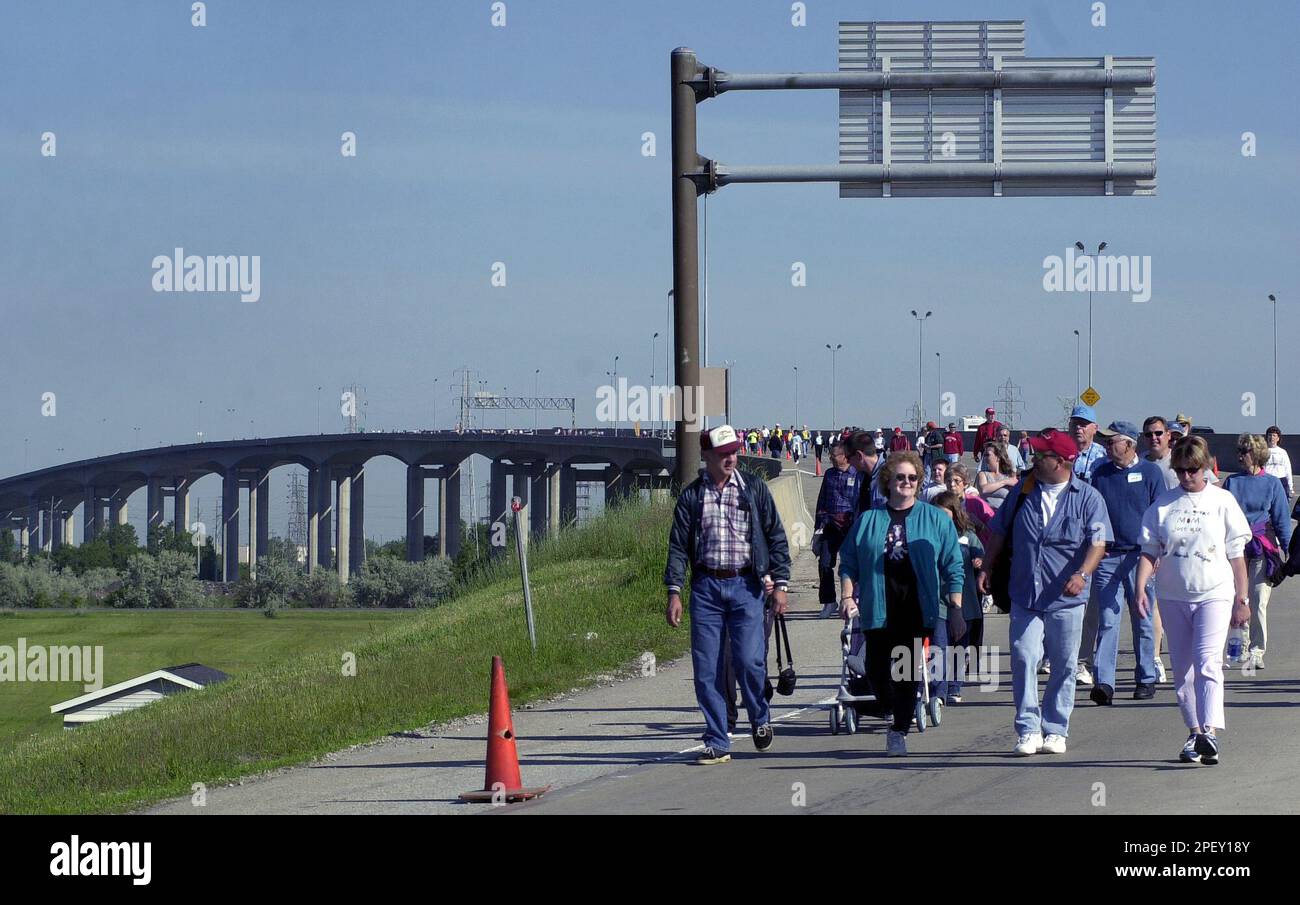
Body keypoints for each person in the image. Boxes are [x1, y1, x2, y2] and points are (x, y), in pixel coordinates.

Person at [977, 428, 1112, 757]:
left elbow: (1099, 542)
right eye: (1035, 454)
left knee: (1064, 665)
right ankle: (1027, 727)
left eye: (1042, 455)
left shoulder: (1088, 497)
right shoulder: (1023, 491)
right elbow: (998, 531)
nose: (1035, 460)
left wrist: (1083, 573)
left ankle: (1055, 728)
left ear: (1064, 461)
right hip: (1026, 594)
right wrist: (987, 568)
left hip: (1067, 599)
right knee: (1024, 657)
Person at [664, 424, 790, 764]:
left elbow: (776, 536)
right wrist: (674, 592)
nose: (730, 458)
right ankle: (718, 740)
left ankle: (759, 718)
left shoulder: (753, 489)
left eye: (733, 452)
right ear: (706, 457)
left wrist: (781, 584)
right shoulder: (692, 497)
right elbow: (677, 547)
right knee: (707, 670)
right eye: (723, 454)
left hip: (746, 586)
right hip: (706, 589)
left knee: (749, 661)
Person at [838, 451, 965, 756]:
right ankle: (889, 708)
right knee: (876, 670)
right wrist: (846, 595)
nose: (906, 482)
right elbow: (849, 562)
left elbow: (953, 566)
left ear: (919, 482)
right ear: (888, 481)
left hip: (916, 608)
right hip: (878, 607)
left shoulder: (934, 519)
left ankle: (898, 731)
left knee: (906, 674)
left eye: (912, 478)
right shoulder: (869, 519)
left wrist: (956, 609)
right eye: (900, 477)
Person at [1134, 435, 1251, 765]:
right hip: (1173, 594)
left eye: (1193, 470)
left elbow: (1236, 556)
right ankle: (1194, 731)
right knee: (1183, 669)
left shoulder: (1222, 501)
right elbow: (1149, 551)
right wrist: (1141, 587)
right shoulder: (1163, 505)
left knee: (1207, 661)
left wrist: (1242, 599)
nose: (1187, 477)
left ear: (1205, 467)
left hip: (1215, 592)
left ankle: (1210, 731)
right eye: (1181, 470)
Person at [1086, 421, 1165, 703]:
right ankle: (1104, 682)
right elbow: (1091, 512)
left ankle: (1145, 677)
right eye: (1106, 441)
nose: (1107, 445)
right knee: (1108, 620)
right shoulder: (1101, 474)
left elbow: (1160, 515)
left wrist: (1157, 553)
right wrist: (1096, 545)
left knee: (1142, 618)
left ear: (1129, 444)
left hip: (1140, 557)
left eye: (1112, 441)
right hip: (1107, 557)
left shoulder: (1150, 472)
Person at [1222, 434, 1292, 671]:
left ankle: (1256, 650)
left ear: (1258, 454)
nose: (1241, 454)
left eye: (1246, 450)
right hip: (1235, 547)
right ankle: (1237, 647)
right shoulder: (1231, 482)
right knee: (1238, 598)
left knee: (1259, 598)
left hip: (1262, 546)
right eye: (1239, 450)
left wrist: (1289, 551)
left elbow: (1282, 520)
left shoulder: (1272, 484)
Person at [930, 491, 986, 705]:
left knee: (959, 647)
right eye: (936, 514)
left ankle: (954, 687)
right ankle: (938, 693)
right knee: (940, 646)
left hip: (965, 599)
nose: (940, 519)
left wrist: (979, 561)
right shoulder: (929, 535)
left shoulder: (967, 535)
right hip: (938, 601)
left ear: (954, 513)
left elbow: (980, 552)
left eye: (945, 514)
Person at [815, 441, 859, 619]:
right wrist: (818, 527)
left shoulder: (857, 474)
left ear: (844, 457)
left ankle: (852, 599)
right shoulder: (829, 474)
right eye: (830, 455)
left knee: (852, 565)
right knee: (824, 563)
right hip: (830, 524)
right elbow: (822, 499)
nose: (831, 458)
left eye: (834, 455)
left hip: (850, 525)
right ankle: (828, 601)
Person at [946, 463, 994, 536]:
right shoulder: (941, 503)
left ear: (966, 484)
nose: (952, 484)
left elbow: (993, 531)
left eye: (956, 480)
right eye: (948, 481)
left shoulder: (977, 503)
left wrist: (978, 523)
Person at [848, 430, 888, 515]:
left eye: (848, 458)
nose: (848, 463)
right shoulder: (859, 476)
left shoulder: (889, 477)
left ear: (859, 455)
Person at [1069, 404, 1107, 483]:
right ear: (1069, 426)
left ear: (1095, 428)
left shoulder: (1102, 455)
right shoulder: (1060, 453)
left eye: (1083, 424)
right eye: (1074, 423)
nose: (1078, 427)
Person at [976, 441, 1019, 511]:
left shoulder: (1010, 475)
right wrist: (1005, 482)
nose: (984, 458)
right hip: (987, 515)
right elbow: (984, 489)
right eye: (984, 455)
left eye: (988, 455)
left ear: (998, 457)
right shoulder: (983, 474)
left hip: (1005, 514)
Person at [1263, 426, 1294, 499]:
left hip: (1281, 481)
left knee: (1282, 505)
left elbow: (1288, 469)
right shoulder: (1263, 451)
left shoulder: (1283, 452)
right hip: (1267, 481)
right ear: (1267, 437)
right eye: (1270, 435)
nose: (1272, 437)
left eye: (1274, 435)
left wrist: (1290, 487)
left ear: (1278, 438)